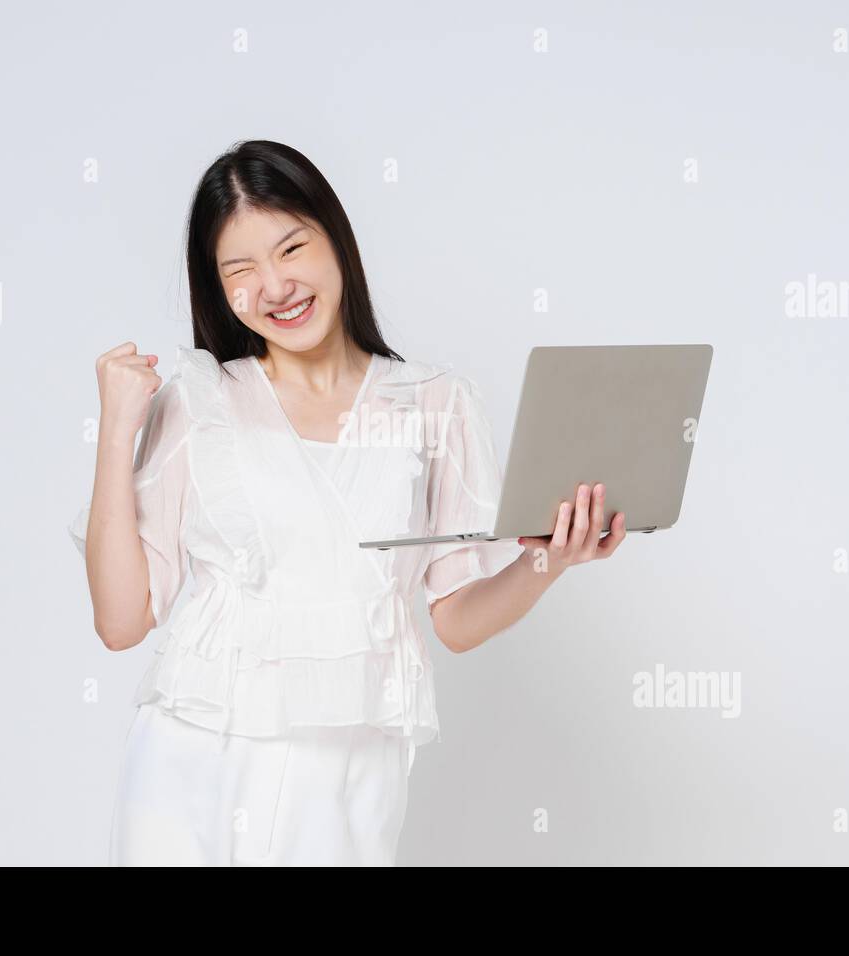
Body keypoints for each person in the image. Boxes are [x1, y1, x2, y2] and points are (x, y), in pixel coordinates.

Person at [68, 140, 628, 866]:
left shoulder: (434, 403)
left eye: (291, 248)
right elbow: (120, 621)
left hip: (349, 775)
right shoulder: (199, 402)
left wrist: (550, 559)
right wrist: (117, 431)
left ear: (336, 238)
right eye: (240, 271)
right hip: (192, 763)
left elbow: (455, 618)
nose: (274, 287)